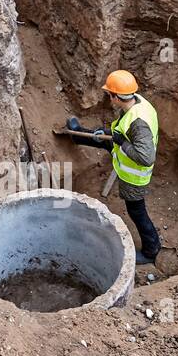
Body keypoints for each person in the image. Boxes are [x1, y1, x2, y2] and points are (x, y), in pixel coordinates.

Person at [67, 70, 161, 265]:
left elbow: (146, 157)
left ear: (117, 97)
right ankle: (78, 135)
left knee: (137, 211)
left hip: (134, 177)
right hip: (126, 149)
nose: (109, 98)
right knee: (104, 139)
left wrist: (122, 143)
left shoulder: (138, 123)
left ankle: (151, 250)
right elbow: (125, 131)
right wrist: (114, 135)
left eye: (110, 95)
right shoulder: (137, 102)